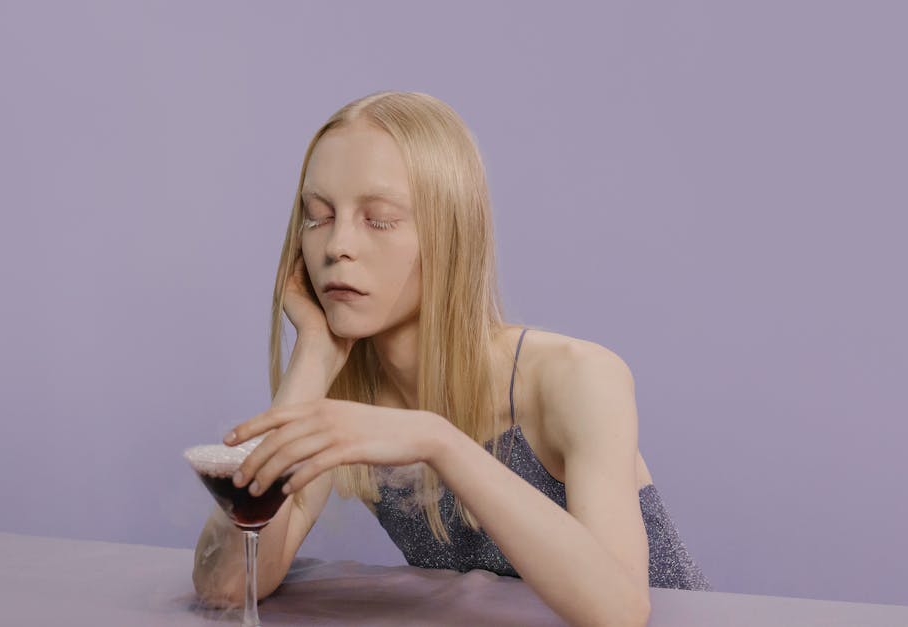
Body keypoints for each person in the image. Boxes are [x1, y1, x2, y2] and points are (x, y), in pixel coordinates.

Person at [191, 90, 710, 626]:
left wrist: (437, 441)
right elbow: (228, 585)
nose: (336, 245)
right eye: (318, 217)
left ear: (450, 233)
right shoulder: (349, 396)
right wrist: (314, 357)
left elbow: (620, 610)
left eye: (380, 219)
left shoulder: (579, 377)